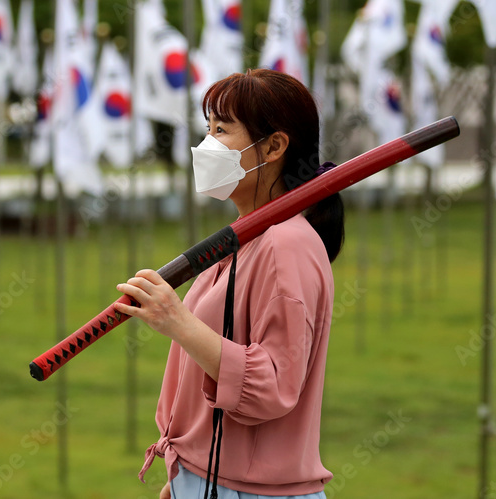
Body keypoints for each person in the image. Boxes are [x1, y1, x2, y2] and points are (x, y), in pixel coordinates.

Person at [115, 69, 345, 499]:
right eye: (208, 129)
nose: (208, 145)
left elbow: (274, 385)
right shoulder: (248, 234)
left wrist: (177, 321)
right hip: (208, 480)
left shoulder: (285, 244)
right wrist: (186, 472)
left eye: (222, 130)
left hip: (251, 491)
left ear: (274, 146)